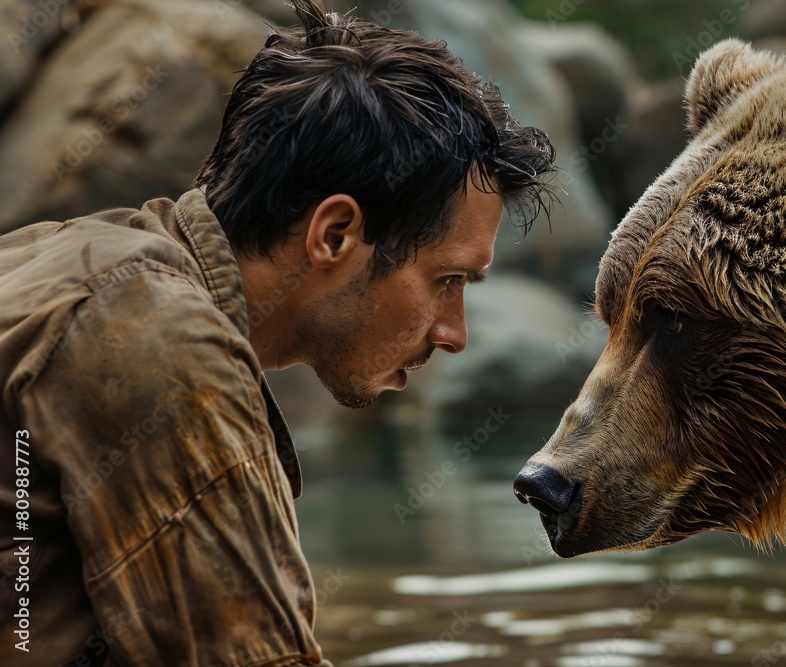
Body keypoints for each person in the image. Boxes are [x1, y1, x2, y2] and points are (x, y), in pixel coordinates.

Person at [0, 0, 556, 663]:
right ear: (335, 233)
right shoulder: (155, 335)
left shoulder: (60, 259)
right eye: (447, 280)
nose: (455, 331)